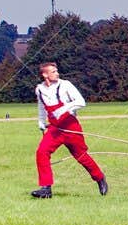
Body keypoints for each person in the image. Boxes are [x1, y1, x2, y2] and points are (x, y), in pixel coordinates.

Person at [31, 61, 107, 198]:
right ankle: (46, 188)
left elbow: (81, 102)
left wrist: (64, 109)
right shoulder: (39, 90)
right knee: (41, 152)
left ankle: (100, 178)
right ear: (45, 74)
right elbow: (41, 107)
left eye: (56, 71)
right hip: (55, 129)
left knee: (81, 156)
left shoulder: (65, 85)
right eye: (53, 71)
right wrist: (41, 121)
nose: (57, 73)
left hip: (71, 126)